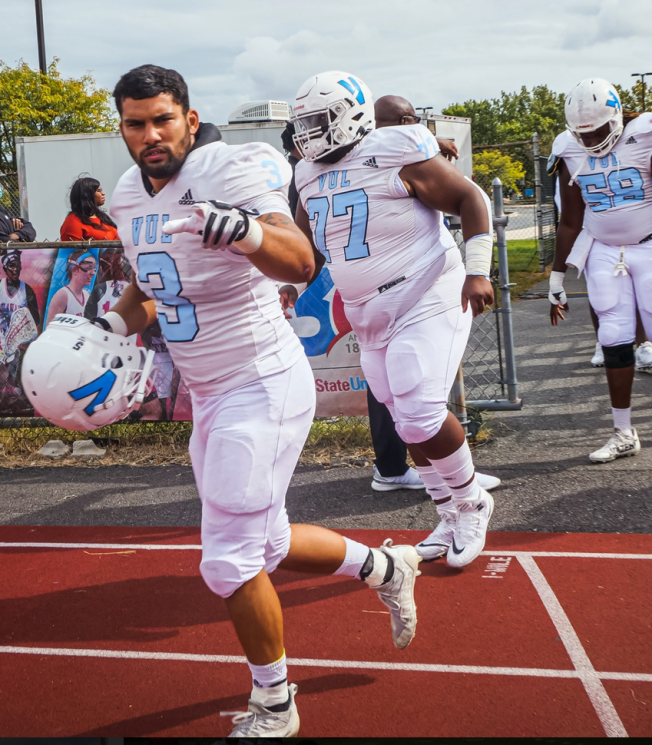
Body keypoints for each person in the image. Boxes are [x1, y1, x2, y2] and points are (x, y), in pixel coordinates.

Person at [95, 64, 420, 737]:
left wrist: (243, 232)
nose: (150, 134)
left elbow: (300, 260)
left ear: (187, 116)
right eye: (136, 123)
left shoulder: (231, 168)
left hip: (261, 381)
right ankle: (383, 565)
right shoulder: (127, 195)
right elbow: (152, 283)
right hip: (208, 392)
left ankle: (275, 701)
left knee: (228, 560)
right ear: (122, 126)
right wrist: (102, 333)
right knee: (265, 543)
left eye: (162, 118)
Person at [291, 71, 497, 567]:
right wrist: (285, 285)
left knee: (421, 409)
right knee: (403, 419)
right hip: (368, 308)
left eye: (317, 121)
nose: (307, 133)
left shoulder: (394, 148)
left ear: (348, 116)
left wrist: (478, 270)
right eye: (303, 123)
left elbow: (471, 197)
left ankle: (473, 503)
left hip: (428, 289)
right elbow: (306, 250)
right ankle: (446, 513)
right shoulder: (305, 172)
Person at [548, 77, 652, 462]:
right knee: (614, 335)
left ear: (616, 118)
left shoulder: (646, 141)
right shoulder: (569, 149)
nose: (589, 141)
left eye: (597, 131)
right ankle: (623, 432)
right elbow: (570, 219)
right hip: (604, 248)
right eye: (581, 133)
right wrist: (557, 276)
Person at [0, 248, 41, 395]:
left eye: (18, 265)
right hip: (1, 339)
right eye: (12, 265)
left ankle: (17, 397)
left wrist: (29, 340)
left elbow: (36, 319)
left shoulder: (26, 289)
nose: (16, 269)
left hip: (17, 340)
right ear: (5, 267)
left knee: (18, 370)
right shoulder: (0, 287)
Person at [44, 248, 96, 325]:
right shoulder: (63, 295)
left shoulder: (86, 295)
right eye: (88, 268)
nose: (93, 273)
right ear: (74, 270)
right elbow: (50, 328)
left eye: (94, 268)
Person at [59, 177, 120, 241]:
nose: (103, 193)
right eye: (98, 191)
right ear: (87, 195)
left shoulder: (102, 217)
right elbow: (70, 249)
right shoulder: (73, 221)